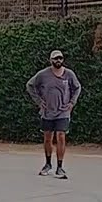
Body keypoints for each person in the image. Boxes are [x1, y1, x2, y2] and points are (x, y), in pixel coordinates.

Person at [26, 50, 82, 178]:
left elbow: (77, 87)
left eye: (60, 58)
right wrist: (39, 101)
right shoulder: (43, 74)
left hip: (63, 112)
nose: (58, 61)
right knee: (48, 137)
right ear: (50, 60)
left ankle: (60, 166)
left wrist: (72, 102)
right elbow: (30, 85)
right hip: (48, 112)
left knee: (61, 136)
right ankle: (48, 164)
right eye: (56, 59)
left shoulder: (69, 74)